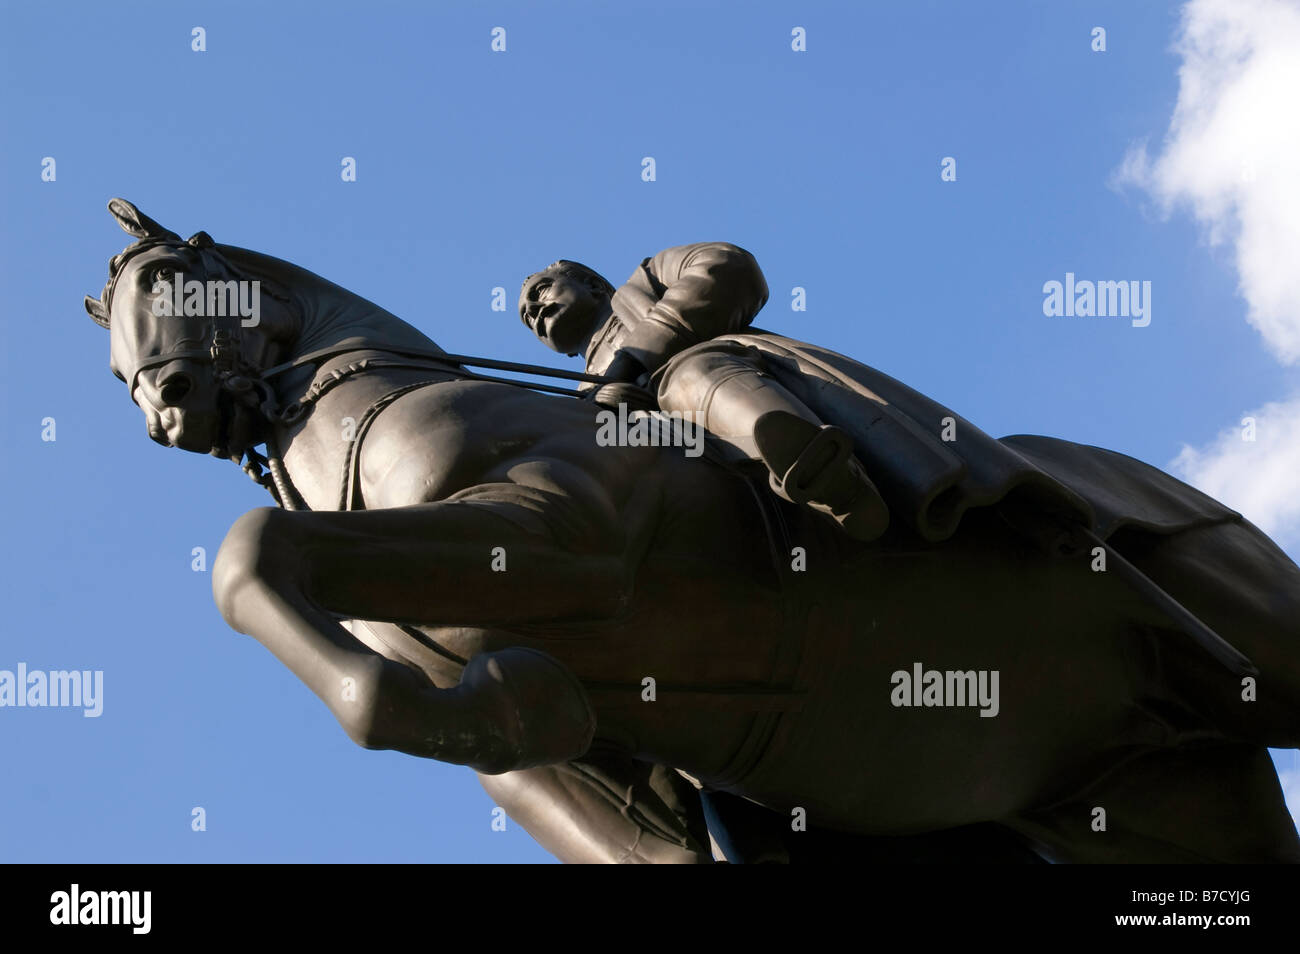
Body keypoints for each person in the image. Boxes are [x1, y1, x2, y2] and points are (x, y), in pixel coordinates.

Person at [519, 243, 891, 541]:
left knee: (689, 375)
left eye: (540, 291)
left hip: (724, 381)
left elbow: (730, 266)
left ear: (594, 285)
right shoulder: (580, 403)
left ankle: (831, 475)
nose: (534, 309)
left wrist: (635, 361)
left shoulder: (649, 281)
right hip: (664, 466)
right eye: (526, 316)